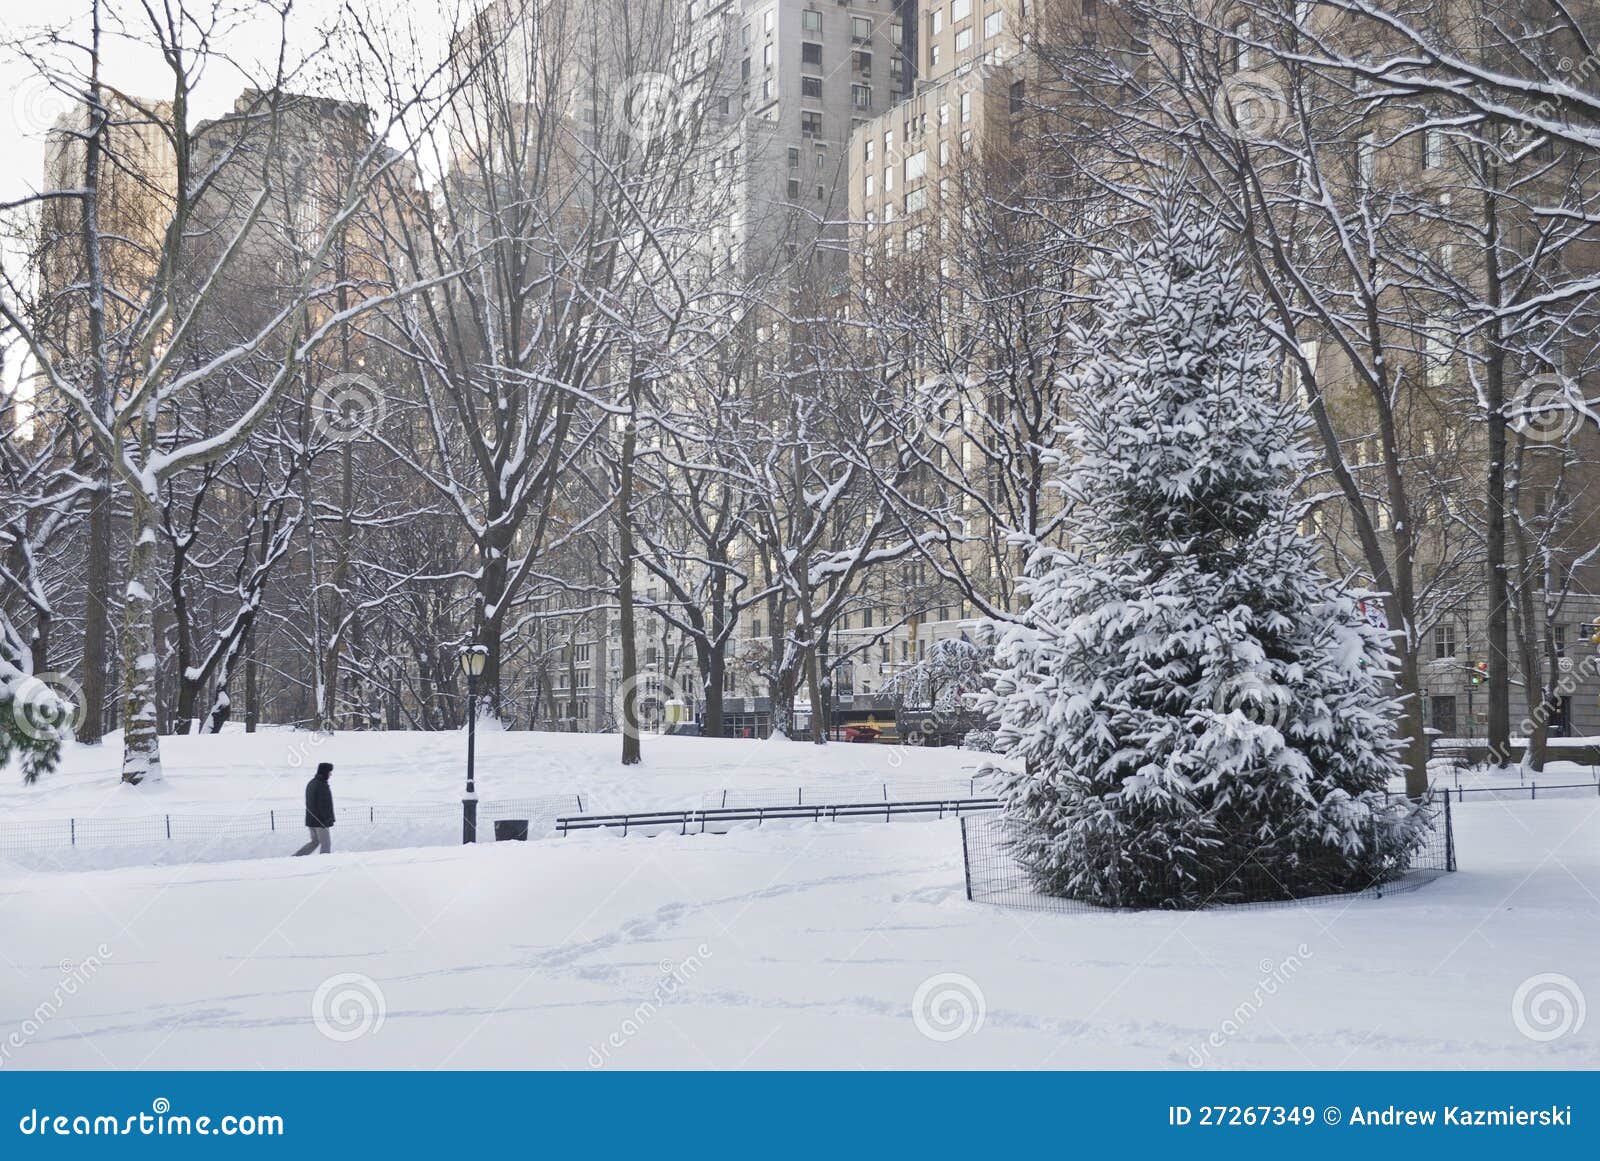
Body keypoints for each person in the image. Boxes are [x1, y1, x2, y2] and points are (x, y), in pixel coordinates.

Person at [294, 762, 335, 855]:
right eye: (329, 772)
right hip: (320, 822)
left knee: (315, 842)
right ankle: (324, 862)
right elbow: (324, 805)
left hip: (311, 820)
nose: (330, 774)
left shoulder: (312, 783)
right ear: (325, 772)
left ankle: (296, 857)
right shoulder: (321, 785)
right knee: (326, 844)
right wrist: (327, 820)